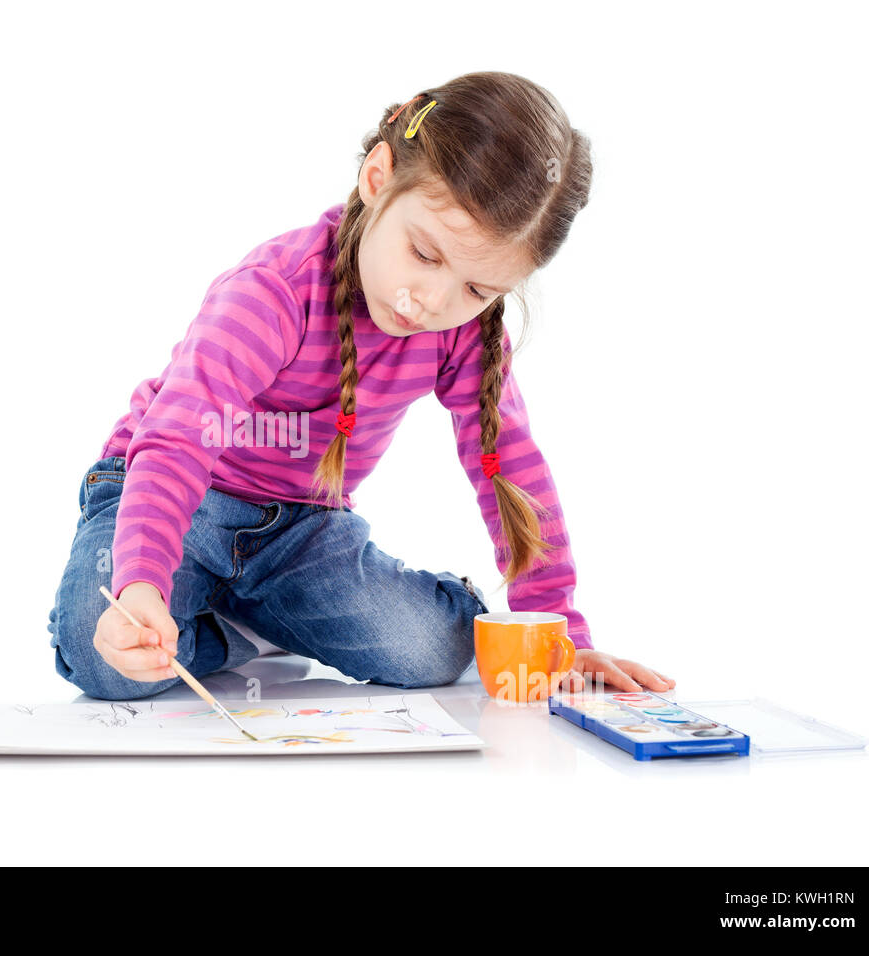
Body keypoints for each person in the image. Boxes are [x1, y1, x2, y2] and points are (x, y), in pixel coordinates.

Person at [47, 71, 674, 701]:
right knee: (105, 658)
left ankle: (254, 617)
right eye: (425, 255)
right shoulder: (274, 291)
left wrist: (562, 633)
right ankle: (239, 624)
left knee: (434, 651)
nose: (430, 301)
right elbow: (178, 438)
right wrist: (142, 584)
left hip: (301, 530)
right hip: (166, 495)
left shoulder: (465, 335)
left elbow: (508, 466)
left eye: (478, 289)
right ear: (377, 179)